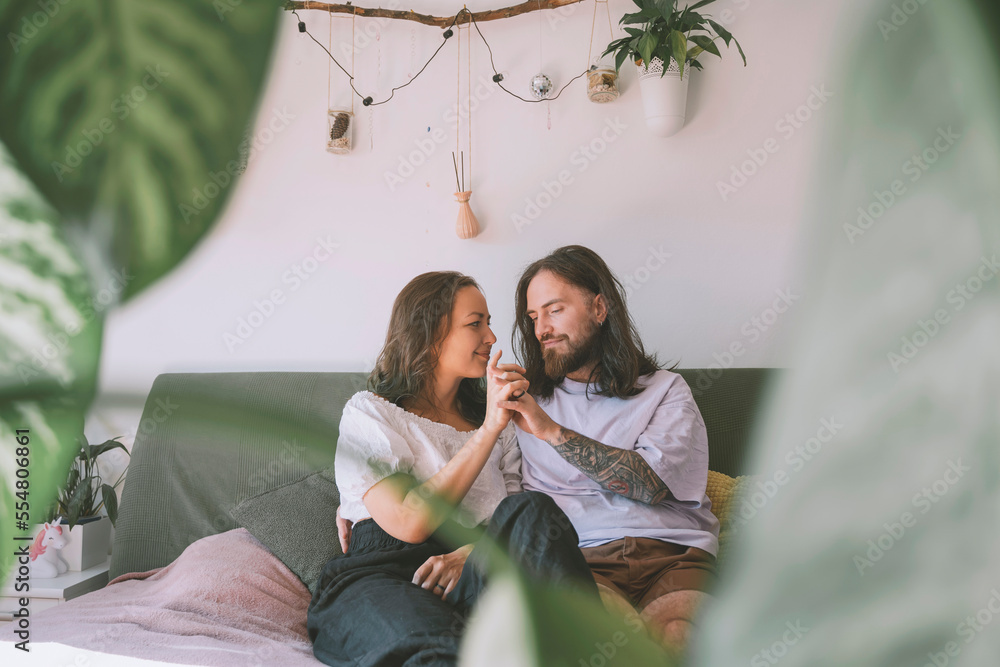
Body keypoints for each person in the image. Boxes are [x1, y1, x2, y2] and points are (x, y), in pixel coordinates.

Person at [307, 271, 598, 667]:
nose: (492, 337)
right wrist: (489, 428)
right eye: (475, 323)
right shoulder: (370, 412)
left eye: (489, 323)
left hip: (476, 567)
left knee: (534, 510)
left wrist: (475, 549)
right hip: (389, 575)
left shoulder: (501, 423)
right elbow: (410, 522)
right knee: (439, 653)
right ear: (429, 334)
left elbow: (518, 523)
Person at [497, 245, 721, 656]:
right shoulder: (521, 402)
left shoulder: (667, 391)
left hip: (674, 552)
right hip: (581, 558)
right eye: (533, 318)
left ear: (599, 308)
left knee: (679, 634)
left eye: (554, 309)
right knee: (608, 641)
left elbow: (649, 484)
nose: (541, 328)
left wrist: (552, 432)